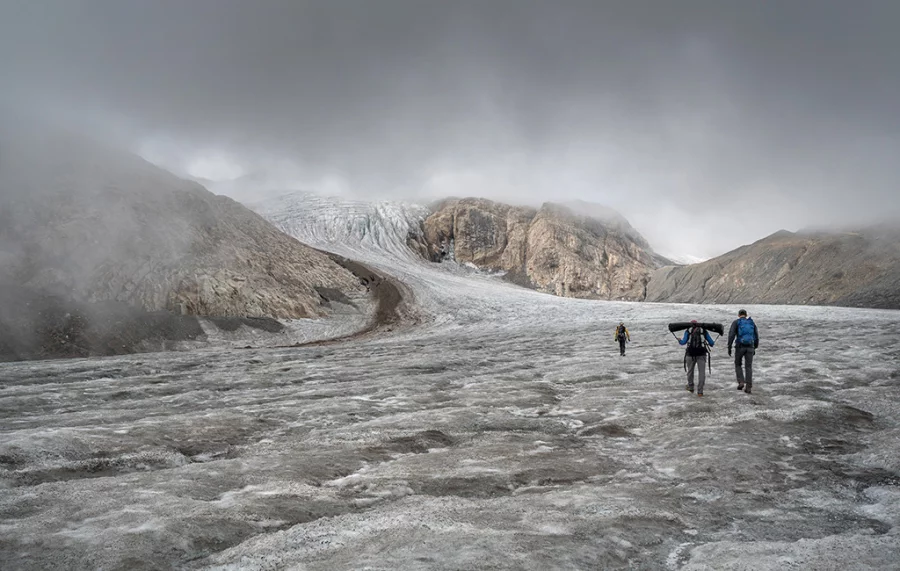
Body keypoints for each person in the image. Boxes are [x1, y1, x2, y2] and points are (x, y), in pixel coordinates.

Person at [678, 320, 715, 396]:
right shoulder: (703, 330)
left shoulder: (688, 330)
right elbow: (711, 343)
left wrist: (679, 340)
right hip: (701, 354)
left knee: (690, 371)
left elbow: (683, 342)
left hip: (690, 354)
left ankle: (691, 387)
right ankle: (700, 392)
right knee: (701, 373)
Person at [728, 309, 759, 394]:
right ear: (746, 314)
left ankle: (741, 381)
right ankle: (748, 387)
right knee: (748, 367)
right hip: (750, 347)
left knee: (738, 364)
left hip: (740, 347)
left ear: (739, 315)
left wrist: (729, 346)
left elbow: (731, 335)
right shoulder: (751, 323)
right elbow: (756, 335)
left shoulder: (736, 322)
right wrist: (755, 347)